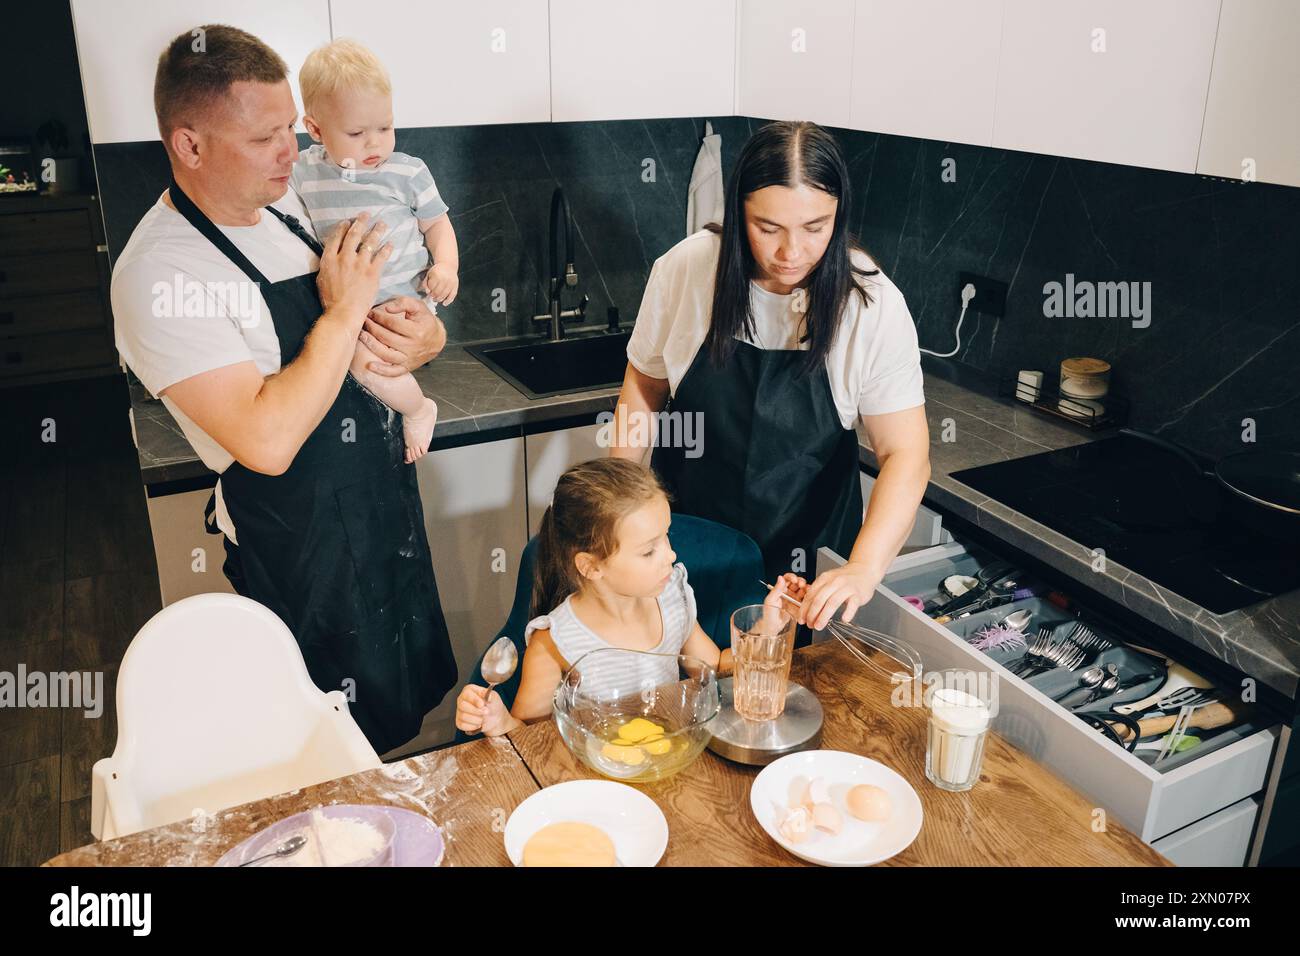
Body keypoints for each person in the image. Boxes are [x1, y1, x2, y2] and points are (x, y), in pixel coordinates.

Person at [111, 25, 456, 754]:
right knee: (322, 752)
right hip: (302, 548)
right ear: (190, 145)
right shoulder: (162, 275)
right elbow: (266, 440)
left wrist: (428, 335)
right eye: (265, 137)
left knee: (400, 728)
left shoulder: (284, 206)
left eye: (289, 128)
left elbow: (379, 320)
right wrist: (343, 308)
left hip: (377, 506)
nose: (293, 151)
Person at [612, 121, 931, 632]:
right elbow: (643, 389)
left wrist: (863, 569)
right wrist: (615, 510)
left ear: (839, 215)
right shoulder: (687, 269)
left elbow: (906, 454)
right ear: (738, 212)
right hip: (681, 553)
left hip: (803, 581)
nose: (792, 253)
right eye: (768, 228)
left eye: (815, 228)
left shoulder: (871, 305)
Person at [455, 459, 807, 737]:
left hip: (668, 756)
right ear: (591, 567)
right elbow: (531, 739)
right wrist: (499, 723)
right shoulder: (556, 643)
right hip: (600, 782)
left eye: (666, 538)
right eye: (648, 551)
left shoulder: (672, 597)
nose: (670, 555)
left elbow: (715, 667)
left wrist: (769, 623)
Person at [292, 38, 457, 463]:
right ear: (315, 129)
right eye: (357, 133)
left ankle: (417, 409)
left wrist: (447, 267)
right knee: (358, 363)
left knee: (370, 366)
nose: (374, 144)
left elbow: (436, 223)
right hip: (349, 306)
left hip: (402, 301)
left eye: (384, 128)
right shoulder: (301, 172)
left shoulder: (407, 171)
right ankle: (417, 405)